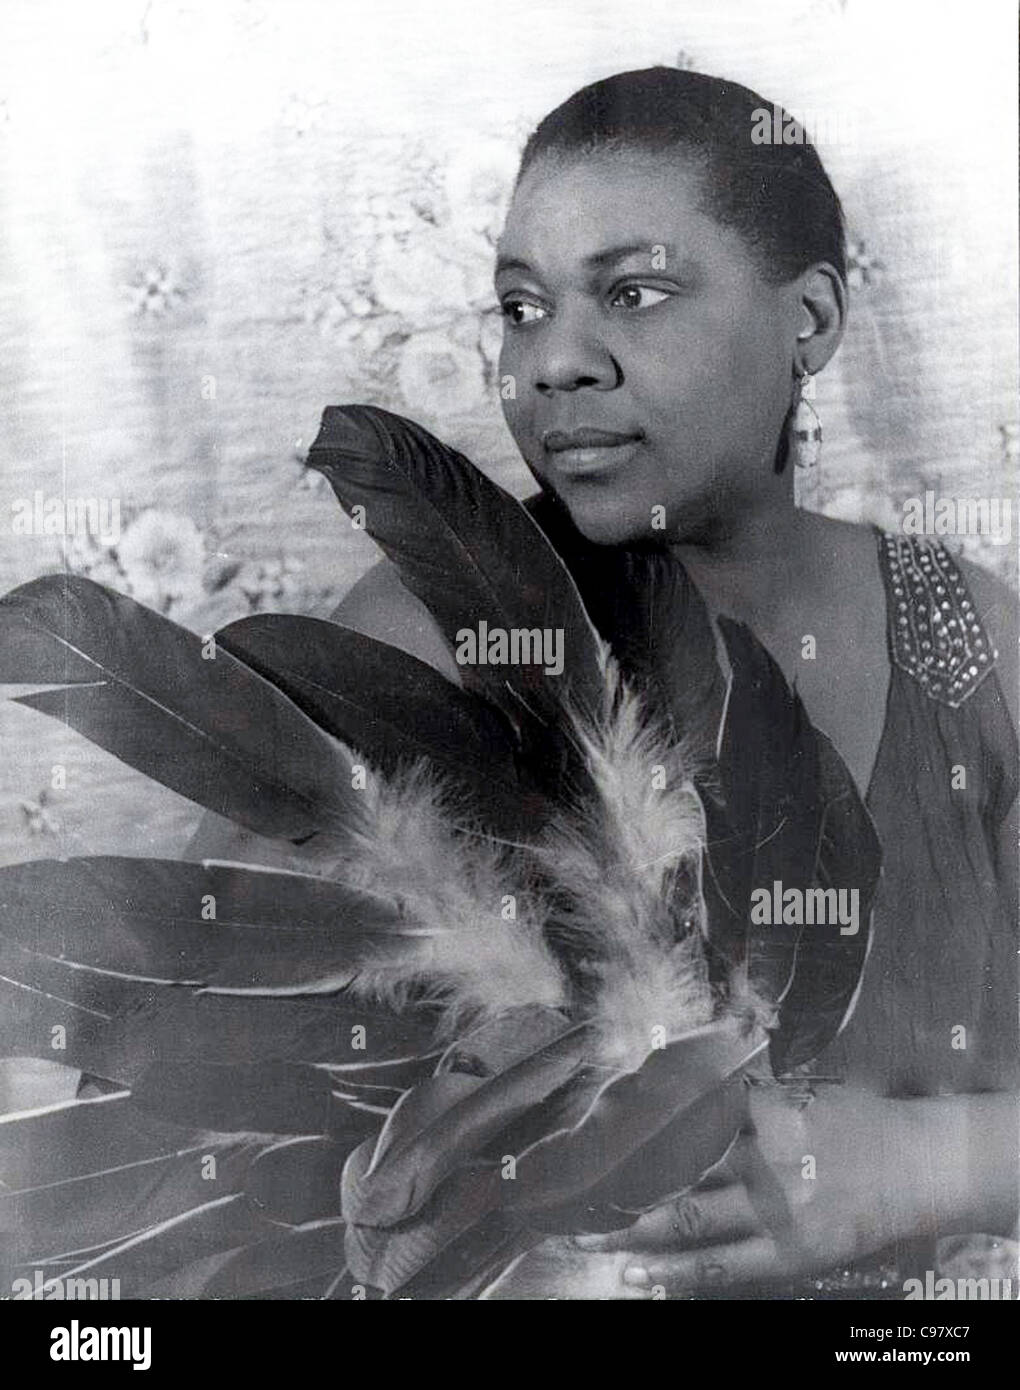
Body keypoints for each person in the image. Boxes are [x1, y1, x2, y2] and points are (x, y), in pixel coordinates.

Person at [194, 67, 1018, 1298]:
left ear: (812, 321)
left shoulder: (963, 637)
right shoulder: (431, 634)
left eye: (634, 292)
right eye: (521, 308)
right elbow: (175, 1054)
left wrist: (917, 1160)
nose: (558, 359)